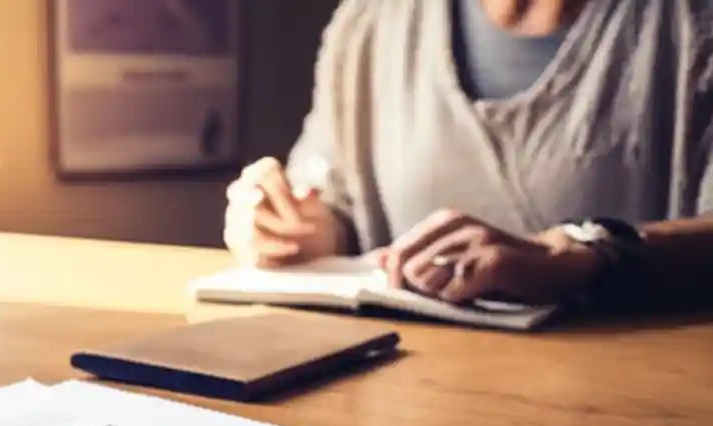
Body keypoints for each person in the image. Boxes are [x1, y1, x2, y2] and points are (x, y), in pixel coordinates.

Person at [224, 0, 713, 308]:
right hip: (406, 401)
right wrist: (296, 230)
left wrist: (582, 254)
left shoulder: (690, 26)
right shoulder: (372, 20)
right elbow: (338, 199)